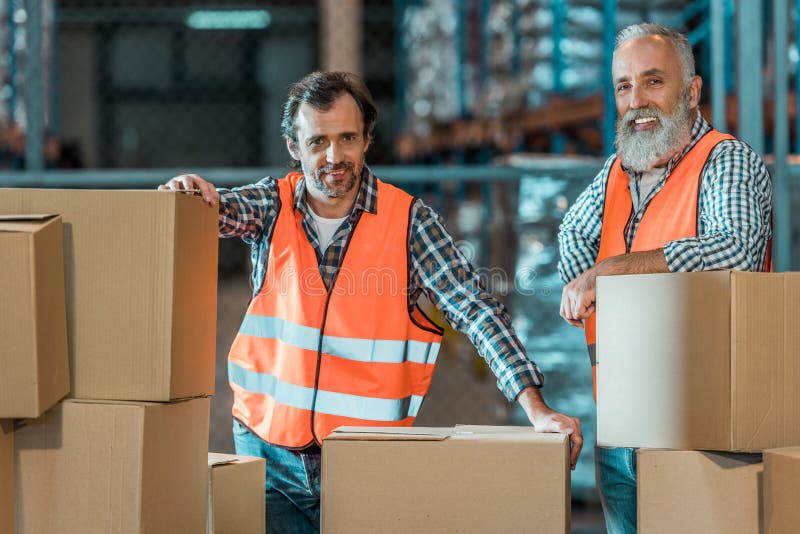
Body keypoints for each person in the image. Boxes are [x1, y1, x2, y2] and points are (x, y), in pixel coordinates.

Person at [161, 70, 583, 534]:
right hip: (268, 455)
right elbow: (219, 210)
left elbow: (475, 309)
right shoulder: (271, 205)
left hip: (367, 460)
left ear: (367, 140)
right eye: (318, 141)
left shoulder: (409, 222)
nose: (334, 156)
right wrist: (191, 195)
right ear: (293, 148)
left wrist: (535, 407)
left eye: (347, 138)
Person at [557, 24, 772, 534]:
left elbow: (737, 248)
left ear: (692, 92)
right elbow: (571, 234)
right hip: (620, 422)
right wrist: (582, 284)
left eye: (654, 82)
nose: (637, 101)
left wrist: (612, 272)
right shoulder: (616, 172)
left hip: (706, 430)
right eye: (624, 86)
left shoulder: (725, 161)